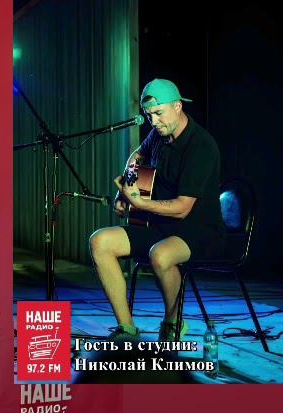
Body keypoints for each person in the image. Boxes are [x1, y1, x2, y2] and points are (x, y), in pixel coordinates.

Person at [89, 79, 225, 342]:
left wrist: (140, 203)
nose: (153, 121)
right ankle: (127, 329)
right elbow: (137, 156)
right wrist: (126, 190)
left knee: (161, 255)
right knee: (100, 241)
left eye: (159, 113)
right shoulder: (159, 134)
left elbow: (182, 208)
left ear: (178, 106)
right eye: (149, 115)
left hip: (200, 231)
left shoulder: (201, 146)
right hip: (160, 226)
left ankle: (173, 322)